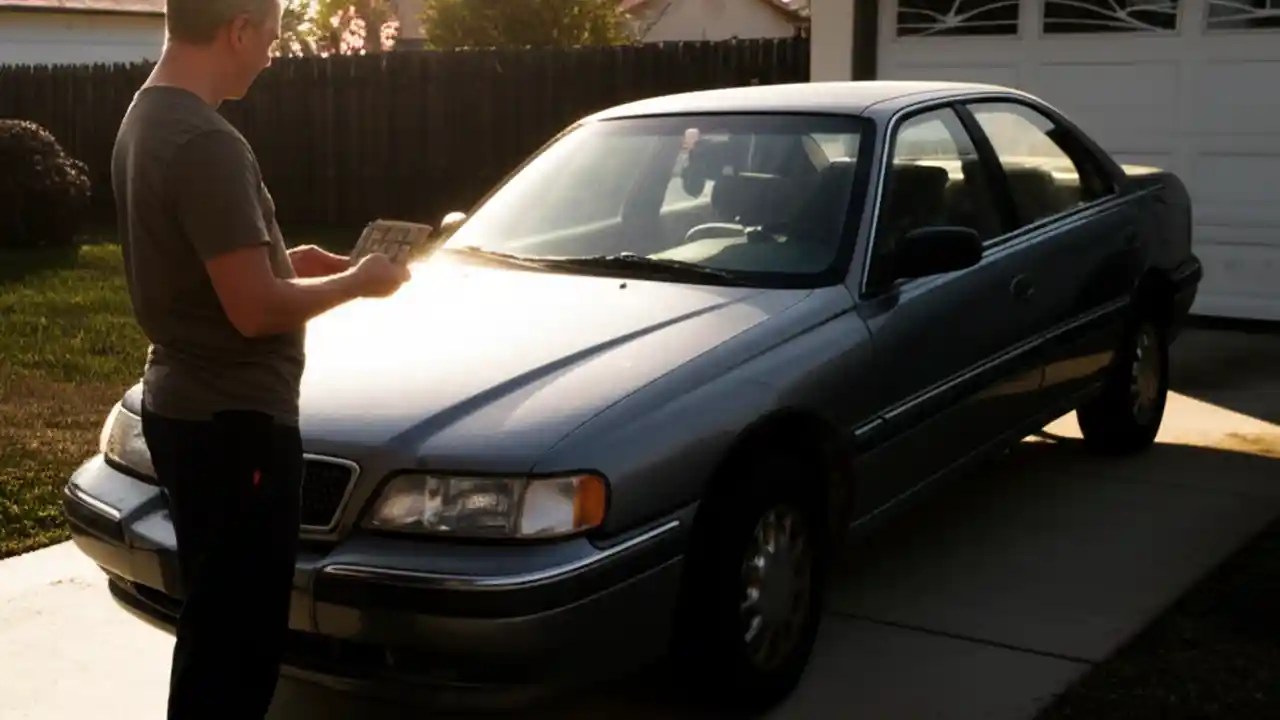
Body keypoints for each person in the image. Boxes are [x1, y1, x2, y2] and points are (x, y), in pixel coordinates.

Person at [110, 1, 410, 717]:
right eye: (272, 38)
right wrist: (356, 284)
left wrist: (297, 261)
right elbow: (252, 310)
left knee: (213, 625)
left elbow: (216, 268)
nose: (274, 55)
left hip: (186, 405)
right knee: (237, 648)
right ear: (238, 28)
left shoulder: (145, 118)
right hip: (234, 424)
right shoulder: (205, 140)